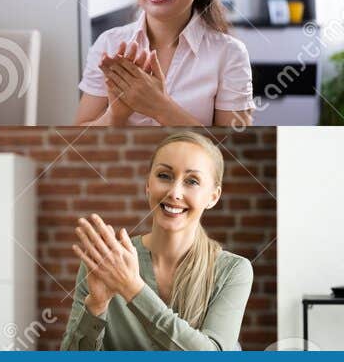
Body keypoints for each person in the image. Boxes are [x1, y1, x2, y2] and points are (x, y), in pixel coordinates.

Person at [61, 131, 252, 350]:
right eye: (164, 176)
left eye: (192, 181)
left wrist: (132, 288)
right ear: (148, 185)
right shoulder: (107, 262)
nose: (174, 192)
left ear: (213, 196)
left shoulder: (233, 270)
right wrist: (96, 307)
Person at [76, 0, 253, 127]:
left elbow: (231, 151)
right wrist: (115, 116)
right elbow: (76, 137)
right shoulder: (108, 44)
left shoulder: (229, 53)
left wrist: (159, 106)